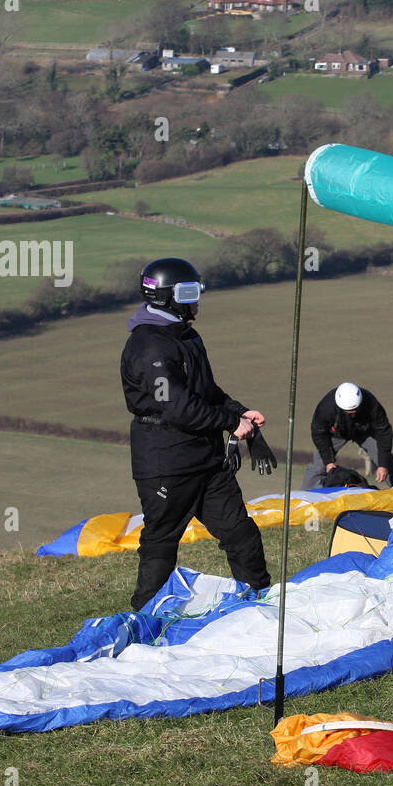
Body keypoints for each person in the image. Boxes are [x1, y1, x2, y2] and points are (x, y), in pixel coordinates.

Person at [120, 257, 272, 611]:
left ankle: (260, 601)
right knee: (162, 541)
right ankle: (144, 619)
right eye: (189, 292)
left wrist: (238, 411)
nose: (196, 299)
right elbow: (176, 406)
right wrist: (230, 423)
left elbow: (205, 390)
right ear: (166, 297)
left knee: (240, 532)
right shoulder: (149, 347)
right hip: (167, 461)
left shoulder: (185, 335)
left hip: (205, 459)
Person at [302, 383, 393, 490]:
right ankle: (304, 499)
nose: (352, 415)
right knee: (319, 465)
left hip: (363, 431)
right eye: (348, 412)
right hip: (337, 433)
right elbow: (319, 433)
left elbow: (384, 431)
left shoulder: (370, 402)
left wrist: (383, 465)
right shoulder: (326, 408)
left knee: (386, 460)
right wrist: (328, 461)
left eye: (355, 410)